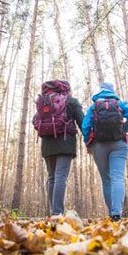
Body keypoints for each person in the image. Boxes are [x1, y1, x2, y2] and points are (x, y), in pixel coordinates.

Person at [82, 82, 128, 221]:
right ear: (112, 91)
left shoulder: (94, 107)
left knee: (106, 180)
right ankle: (117, 212)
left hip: (98, 146)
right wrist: (123, 129)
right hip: (119, 143)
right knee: (117, 177)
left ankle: (111, 213)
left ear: (100, 91)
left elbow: (85, 126)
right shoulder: (119, 104)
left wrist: (88, 143)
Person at [33, 80, 83, 216]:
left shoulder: (44, 102)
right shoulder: (70, 101)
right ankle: (57, 212)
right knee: (61, 177)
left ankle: (54, 212)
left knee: (52, 177)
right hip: (66, 143)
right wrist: (89, 141)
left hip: (47, 146)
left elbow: (35, 121)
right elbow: (82, 122)